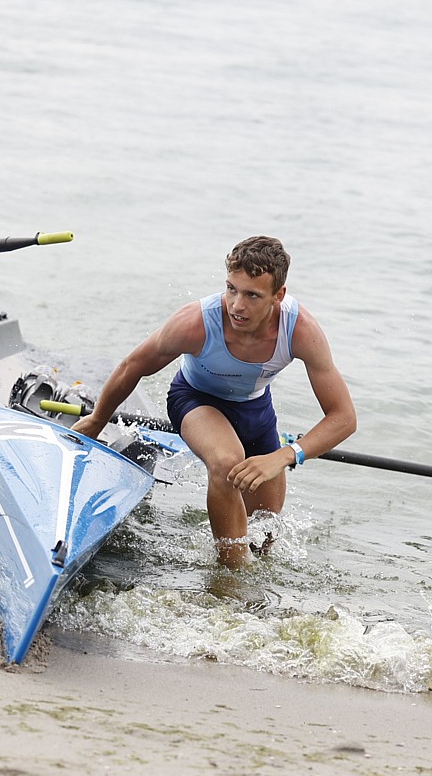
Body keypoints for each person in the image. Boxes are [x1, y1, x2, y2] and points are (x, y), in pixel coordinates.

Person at [70, 236, 356, 570]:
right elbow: (133, 365)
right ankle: (228, 582)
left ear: (278, 296)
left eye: (252, 295)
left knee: (264, 536)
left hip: (256, 413)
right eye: (232, 289)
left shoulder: (300, 330)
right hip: (194, 399)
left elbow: (344, 417)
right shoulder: (195, 322)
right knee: (226, 461)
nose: (237, 305)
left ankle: (245, 581)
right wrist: (97, 419)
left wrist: (284, 456)